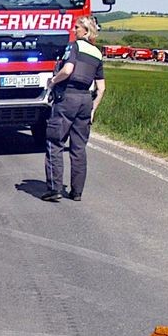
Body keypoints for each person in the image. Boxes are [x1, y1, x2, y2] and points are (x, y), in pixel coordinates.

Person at [41, 15, 105, 202]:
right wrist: (93, 109)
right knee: (78, 148)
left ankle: (54, 188)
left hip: (67, 97)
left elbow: (68, 70)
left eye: (77, 27)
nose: (73, 30)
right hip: (85, 100)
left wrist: (52, 81)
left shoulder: (74, 46)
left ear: (85, 31)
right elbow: (101, 88)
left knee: (55, 141)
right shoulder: (97, 53)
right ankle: (76, 191)